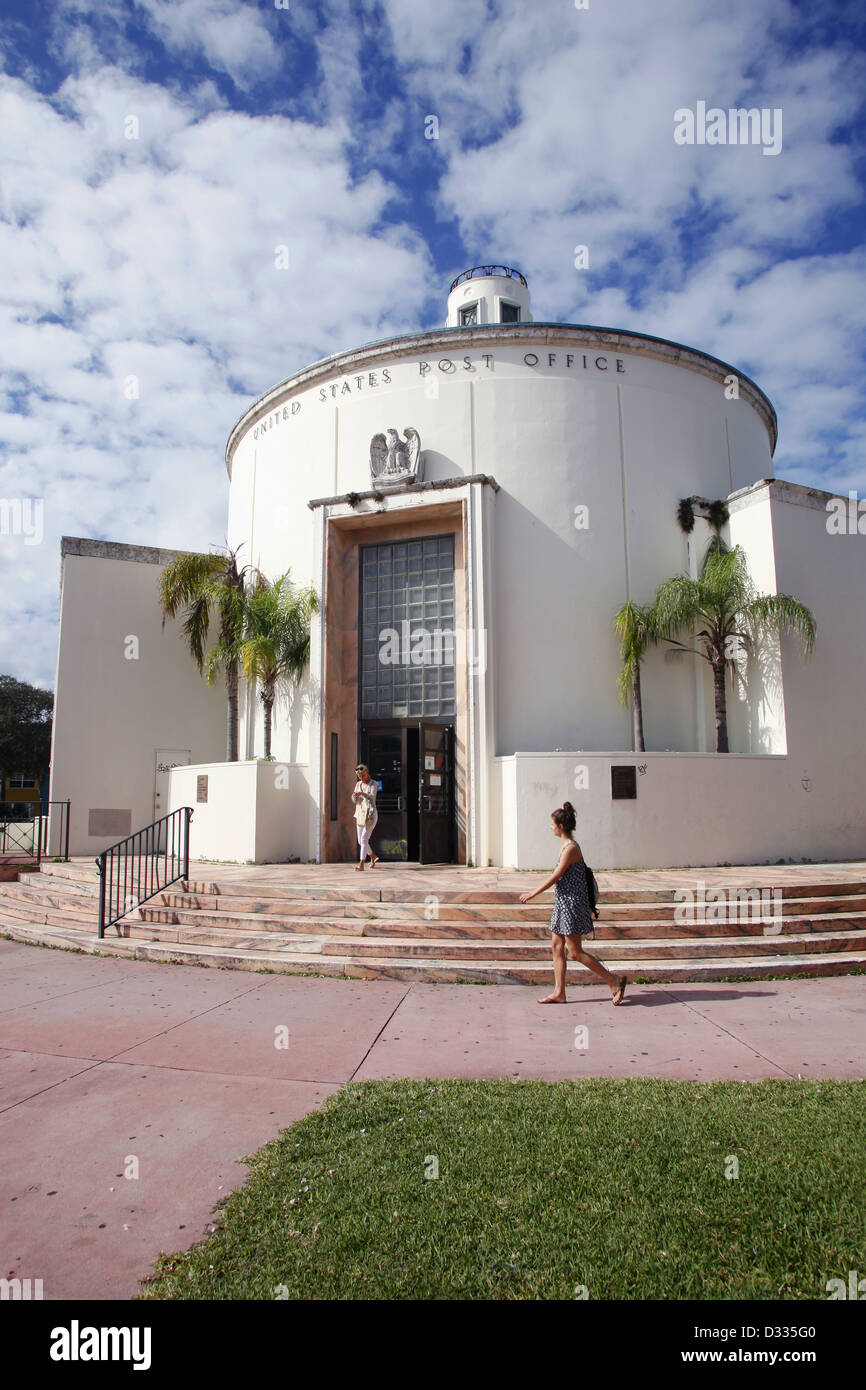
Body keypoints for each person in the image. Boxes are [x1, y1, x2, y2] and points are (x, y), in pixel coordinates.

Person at [519, 801, 626, 1006]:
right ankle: (559, 992)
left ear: (560, 827)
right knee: (556, 946)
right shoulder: (565, 847)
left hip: (572, 905)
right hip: (563, 903)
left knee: (575, 952)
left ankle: (614, 981)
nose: (550, 827)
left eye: (552, 824)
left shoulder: (571, 849)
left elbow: (556, 876)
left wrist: (533, 893)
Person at [351, 763, 379, 871]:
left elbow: (372, 797)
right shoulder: (358, 784)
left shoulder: (373, 784)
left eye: (363, 775)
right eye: (359, 776)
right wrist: (354, 796)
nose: (361, 778)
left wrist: (362, 794)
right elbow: (354, 801)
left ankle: (361, 864)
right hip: (360, 815)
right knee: (360, 841)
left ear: (367, 773)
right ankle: (372, 856)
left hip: (370, 815)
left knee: (363, 839)